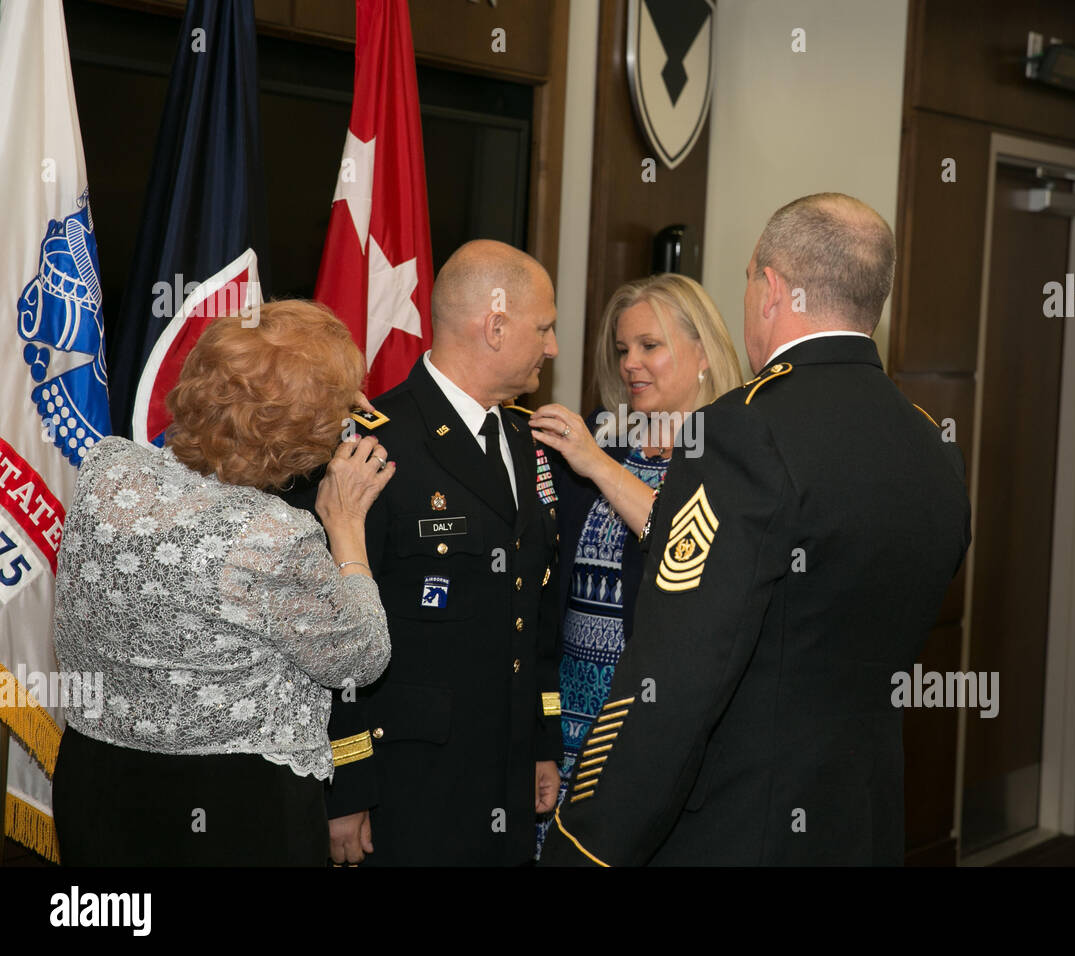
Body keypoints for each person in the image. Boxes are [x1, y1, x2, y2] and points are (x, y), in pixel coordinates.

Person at [539, 193, 971, 866]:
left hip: (739, 827)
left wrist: (584, 842)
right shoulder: (931, 445)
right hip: (861, 818)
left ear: (770, 289)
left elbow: (677, 675)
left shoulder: (742, 430)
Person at [51, 300, 393, 866]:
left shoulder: (107, 471)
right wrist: (348, 528)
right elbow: (359, 659)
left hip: (97, 785)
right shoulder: (275, 536)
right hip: (233, 812)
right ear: (305, 439)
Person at [324, 239, 564, 866]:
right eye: (544, 328)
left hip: (505, 767)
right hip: (411, 780)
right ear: (495, 326)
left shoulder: (524, 436)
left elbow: (534, 608)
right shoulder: (379, 444)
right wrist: (346, 787)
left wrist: (543, 739)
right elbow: (333, 631)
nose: (553, 347)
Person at [526, 274, 743, 856]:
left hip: (647, 723)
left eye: (650, 345)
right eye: (623, 349)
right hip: (568, 717)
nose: (631, 364)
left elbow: (682, 543)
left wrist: (594, 463)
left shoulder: (731, 450)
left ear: (703, 351)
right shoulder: (605, 440)